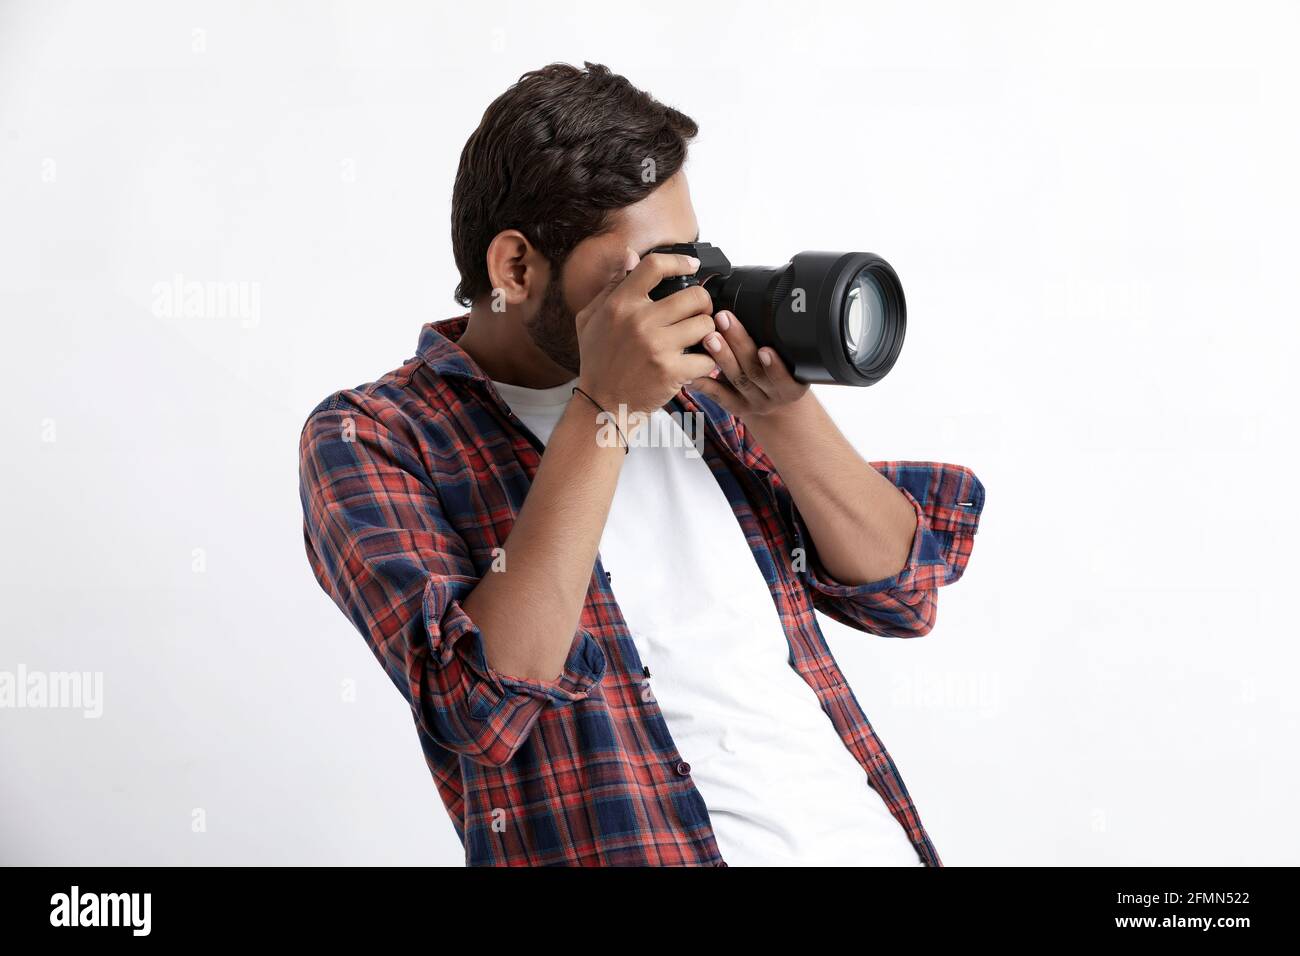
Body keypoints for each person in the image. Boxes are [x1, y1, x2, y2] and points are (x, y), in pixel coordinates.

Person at [298, 61, 985, 866]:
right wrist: (604, 411)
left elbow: (904, 590)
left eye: (690, 256)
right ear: (515, 270)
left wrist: (782, 410)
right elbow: (483, 705)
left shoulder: (692, 394)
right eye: (650, 268)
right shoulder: (377, 436)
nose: (684, 289)